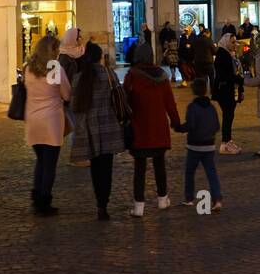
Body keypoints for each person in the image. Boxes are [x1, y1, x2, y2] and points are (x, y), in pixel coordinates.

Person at [123, 41, 181, 214]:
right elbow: (170, 103)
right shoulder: (161, 76)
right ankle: (163, 199)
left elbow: (125, 102)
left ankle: (138, 206)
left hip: (139, 127)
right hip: (158, 128)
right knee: (159, 164)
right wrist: (176, 122)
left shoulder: (132, 75)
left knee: (139, 168)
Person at [70, 41, 125, 220]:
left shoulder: (79, 77)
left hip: (90, 128)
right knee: (106, 168)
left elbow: (74, 104)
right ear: (100, 57)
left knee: (95, 168)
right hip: (108, 126)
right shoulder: (109, 75)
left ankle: (99, 203)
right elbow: (119, 98)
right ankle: (104, 203)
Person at [23, 33, 72, 216]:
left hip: (33, 120)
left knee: (41, 161)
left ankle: (37, 196)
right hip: (50, 120)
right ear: (52, 51)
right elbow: (65, 94)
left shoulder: (29, 68)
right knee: (49, 163)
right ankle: (44, 200)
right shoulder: (53, 68)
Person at [179, 77, 223, 212]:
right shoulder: (211, 107)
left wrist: (179, 128)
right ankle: (217, 199)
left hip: (194, 146)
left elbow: (191, 125)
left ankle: (189, 198)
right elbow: (216, 126)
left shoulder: (192, 107)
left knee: (189, 172)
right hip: (209, 145)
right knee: (211, 172)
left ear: (193, 91)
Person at [213, 32, 245, 154]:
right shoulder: (222, 55)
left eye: (235, 41)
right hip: (225, 91)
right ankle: (225, 143)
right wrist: (240, 80)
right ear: (226, 42)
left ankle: (228, 141)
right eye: (232, 42)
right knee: (228, 115)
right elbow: (225, 75)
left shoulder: (231, 54)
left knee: (230, 115)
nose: (235, 44)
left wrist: (240, 88)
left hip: (231, 90)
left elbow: (237, 72)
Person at [192, 25, 216, 92]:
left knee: (200, 78)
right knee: (211, 77)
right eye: (209, 34)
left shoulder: (196, 40)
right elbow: (214, 52)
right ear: (206, 33)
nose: (209, 35)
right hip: (208, 62)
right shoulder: (209, 40)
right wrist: (215, 47)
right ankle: (213, 91)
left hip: (198, 62)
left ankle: (201, 91)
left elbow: (192, 50)